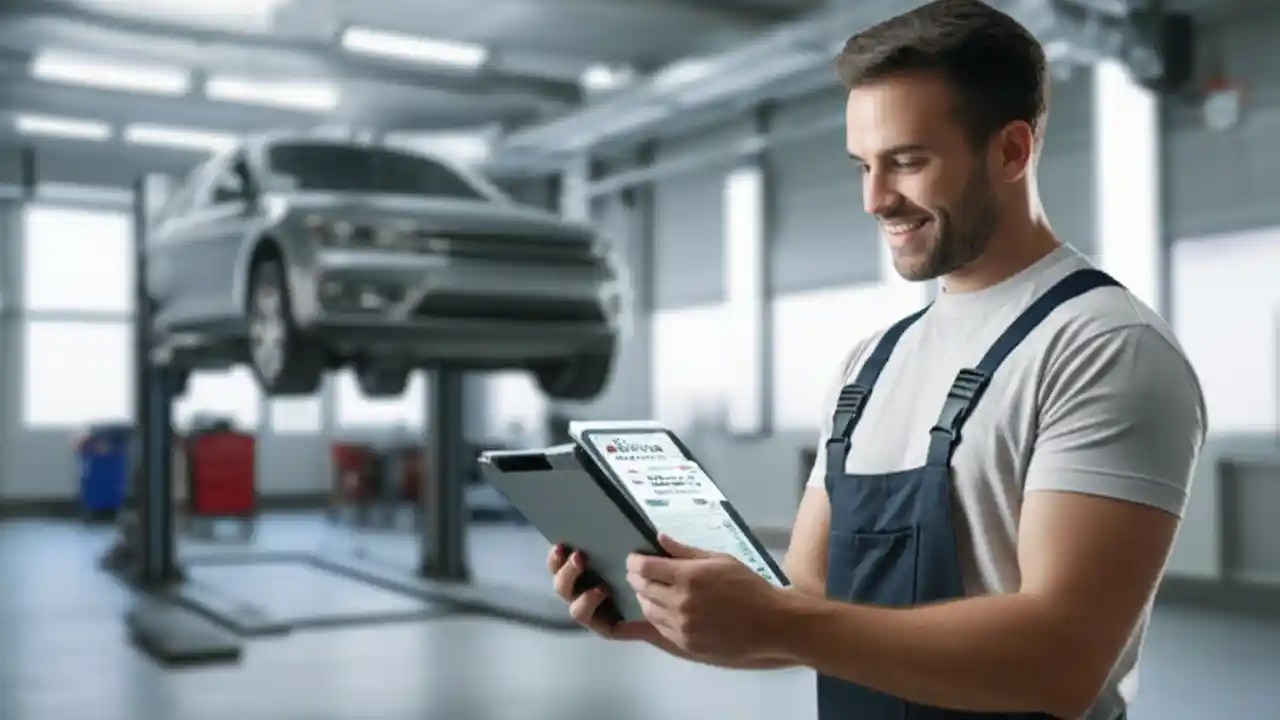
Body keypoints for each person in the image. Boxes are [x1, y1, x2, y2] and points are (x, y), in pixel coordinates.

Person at [547, 1, 1206, 718]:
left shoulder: (1102, 348)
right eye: (863, 164)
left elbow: (1062, 659)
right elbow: (808, 609)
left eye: (908, 161)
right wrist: (672, 619)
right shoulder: (871, 365)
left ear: (1012, 151)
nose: (874, 199)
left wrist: (778, 619)